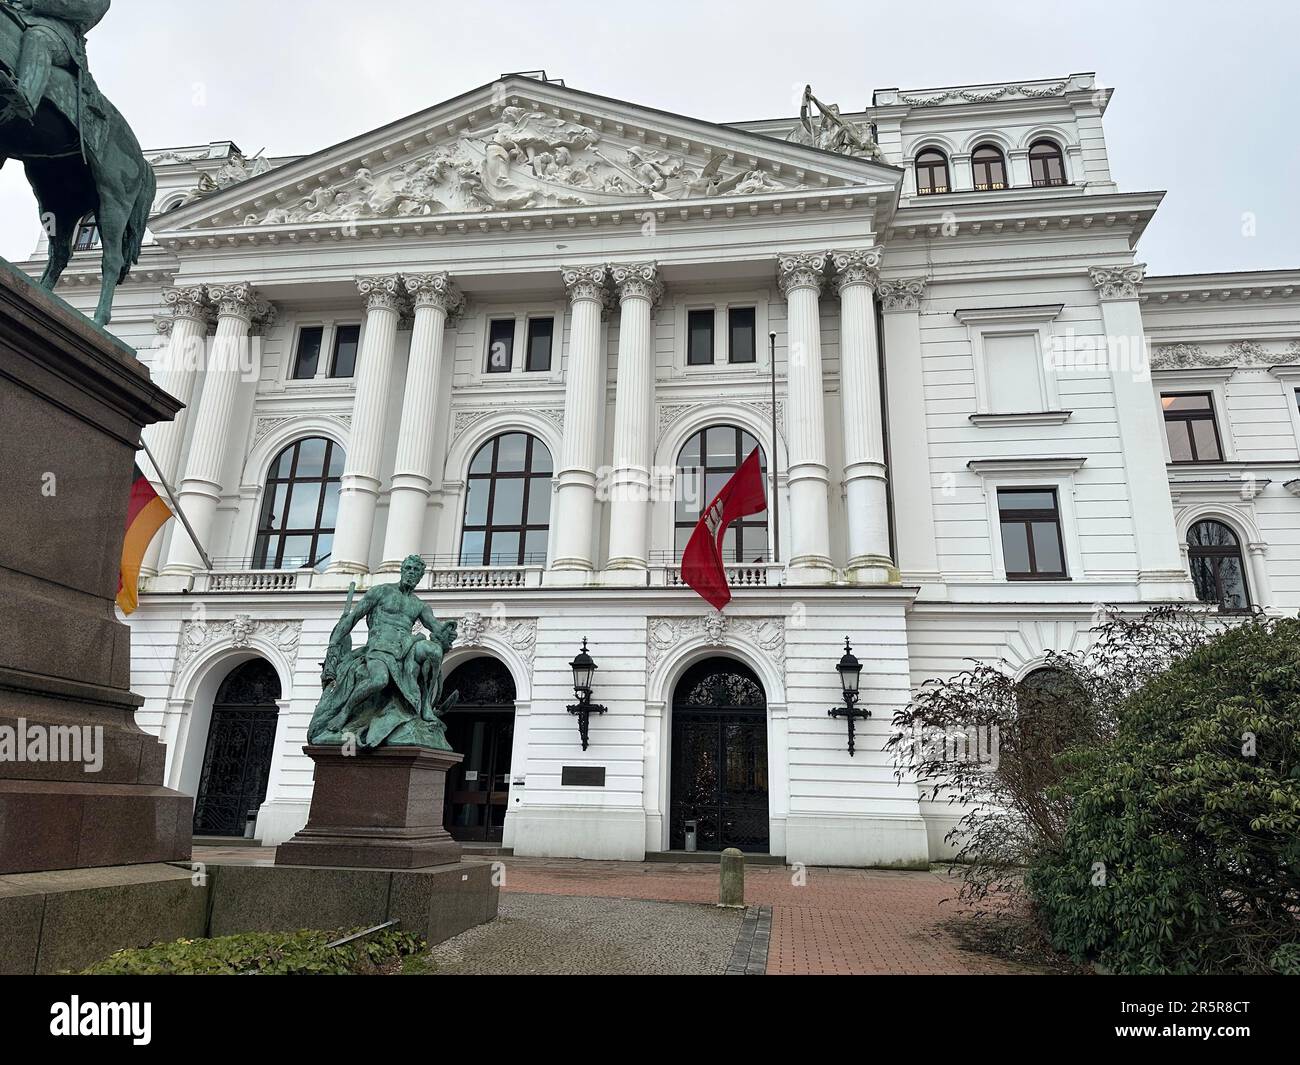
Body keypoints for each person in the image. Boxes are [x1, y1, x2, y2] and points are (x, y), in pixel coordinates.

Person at [308, 555, 458, 750]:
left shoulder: (419, 605)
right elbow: (352, 619)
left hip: (405, 648)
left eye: (416, 571)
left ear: (420, 576)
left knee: (433, 650)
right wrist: (333, 646)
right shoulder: (381, 592)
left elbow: (435, 627)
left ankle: (426, 707)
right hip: (379, 648)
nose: (411, 573)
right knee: (380, 679)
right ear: (402, 570)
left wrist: (447, 632)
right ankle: (345, 712)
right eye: (409, 568)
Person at [3, 0, 110, 123]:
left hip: (58, 33)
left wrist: (34, 2)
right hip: (15, 14)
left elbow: (84, 8)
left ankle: (25, 98)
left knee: (38, 38)